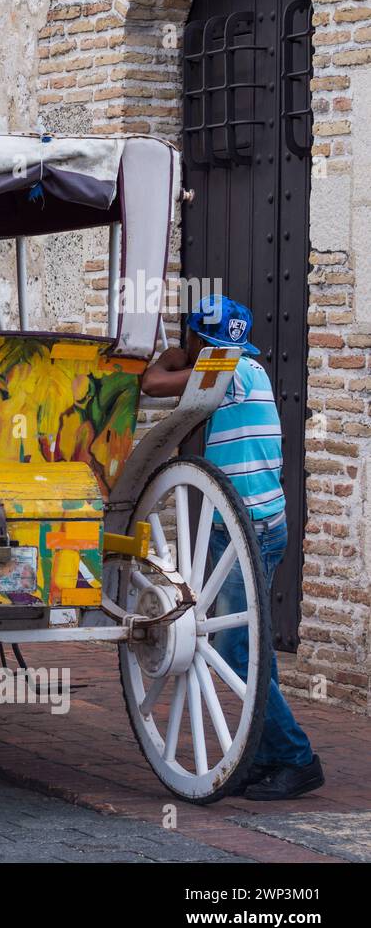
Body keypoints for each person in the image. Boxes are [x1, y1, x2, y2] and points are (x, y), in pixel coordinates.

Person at [141, 295, 323, 800]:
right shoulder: (250, 369)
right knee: (253, 647)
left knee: (237, 650)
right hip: (260, 524)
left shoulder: (225, 372)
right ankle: (264, 755)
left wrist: (176, 353)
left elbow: (152, 383)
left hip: (248, 531)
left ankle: (295, 758)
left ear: (203, 342)